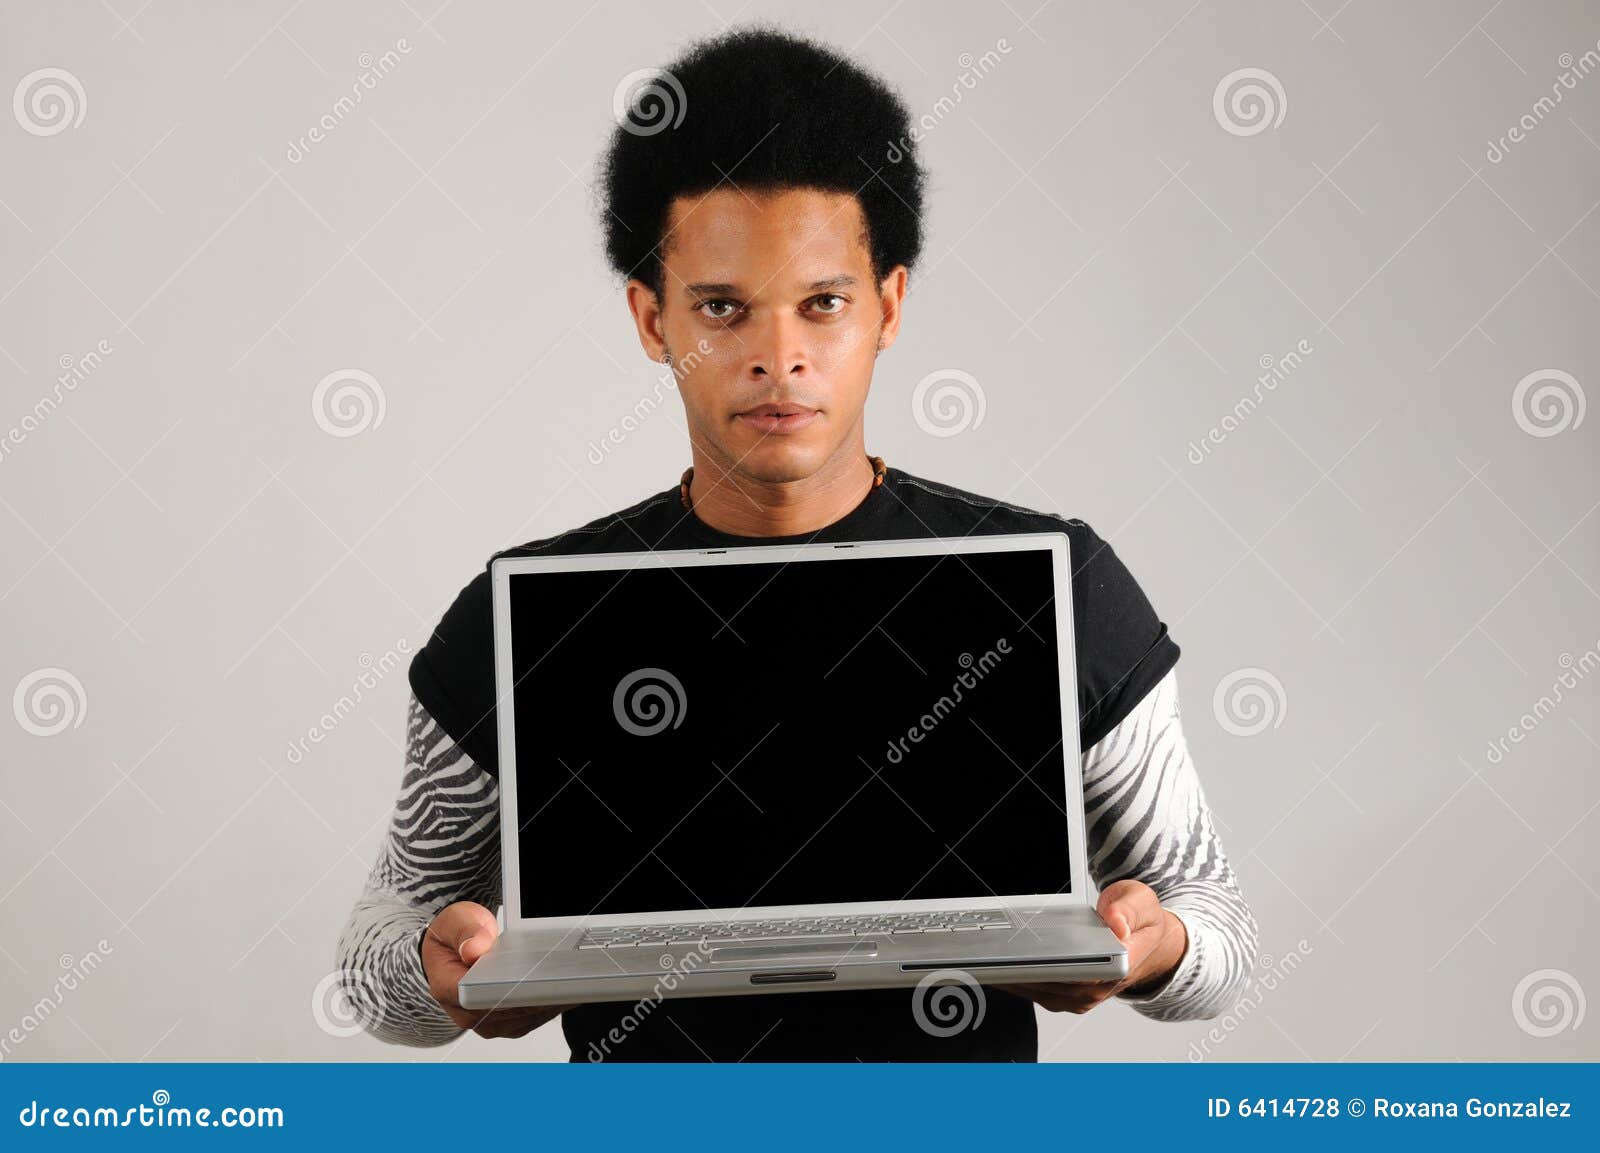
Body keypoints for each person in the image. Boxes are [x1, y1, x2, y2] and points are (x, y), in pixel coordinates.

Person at [336, 25, 1258, 1061]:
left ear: (887, 306)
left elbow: (1212, 926)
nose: (779, 358)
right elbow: (376, 962)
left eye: (822, 305)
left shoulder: (1057, 586)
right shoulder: (523, 615)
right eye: (722, 309)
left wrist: (1149, 943)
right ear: (651, 318)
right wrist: (440, 971)